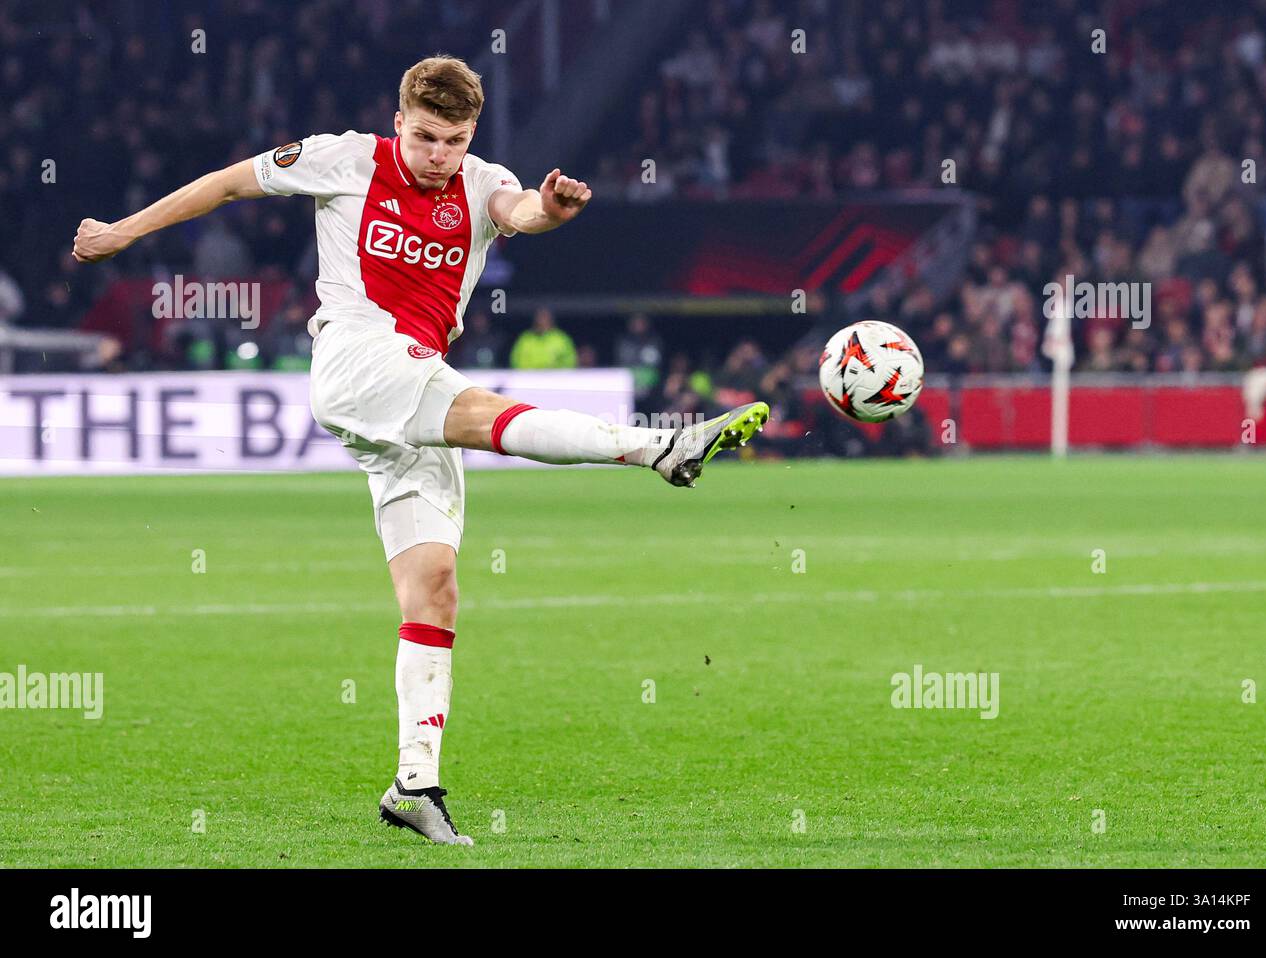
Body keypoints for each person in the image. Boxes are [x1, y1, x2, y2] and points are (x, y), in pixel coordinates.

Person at [72, 55, 768, 846]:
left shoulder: (480, 182)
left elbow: (520, 210)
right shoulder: (344, 157)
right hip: (357, 357)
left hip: (412, 383)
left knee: (434, 590)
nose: (439, 154)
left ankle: (415, 784)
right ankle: (660, 448)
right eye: (427, 137)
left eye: (455, 140)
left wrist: (549, 207)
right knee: (480, 414)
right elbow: (229, 183)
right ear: (399, 120)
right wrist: (123, 232)